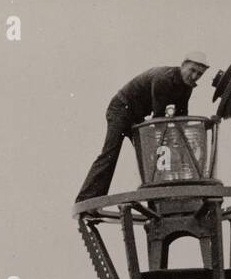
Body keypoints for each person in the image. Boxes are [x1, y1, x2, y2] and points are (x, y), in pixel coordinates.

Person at [75, 52, 210, 203]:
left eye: (199, 74)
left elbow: (181, 119)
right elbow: (158, 120)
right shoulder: (164, 78)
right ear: (183, 65)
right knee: (110, 154)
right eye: (192, 70)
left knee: (150, 158)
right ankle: (88, 199)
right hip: (121, 109)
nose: (194, 76)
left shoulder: (186, 87)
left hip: (137, 115)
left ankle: (158, 203)